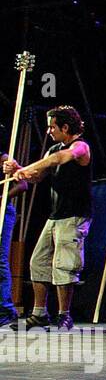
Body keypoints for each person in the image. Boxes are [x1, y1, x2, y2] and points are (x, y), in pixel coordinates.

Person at [3, 107, 94, 331]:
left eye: (52, 126)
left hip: (74, 215)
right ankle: (39, 314)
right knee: (38, 262)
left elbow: (60, 158)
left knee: (64, 266)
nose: (48, 131)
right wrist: (18, 169)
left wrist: (31, 167)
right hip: (55, 215)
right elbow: (36, 177)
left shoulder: (81, 146)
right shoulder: (53, 147)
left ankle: (64, 315)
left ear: (65, 127)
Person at [0, 128, 28, 330]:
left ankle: (6, 309)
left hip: (2, 211)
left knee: (0, 260)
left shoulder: (3, 157)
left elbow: (23, 184)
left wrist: (3, 198)